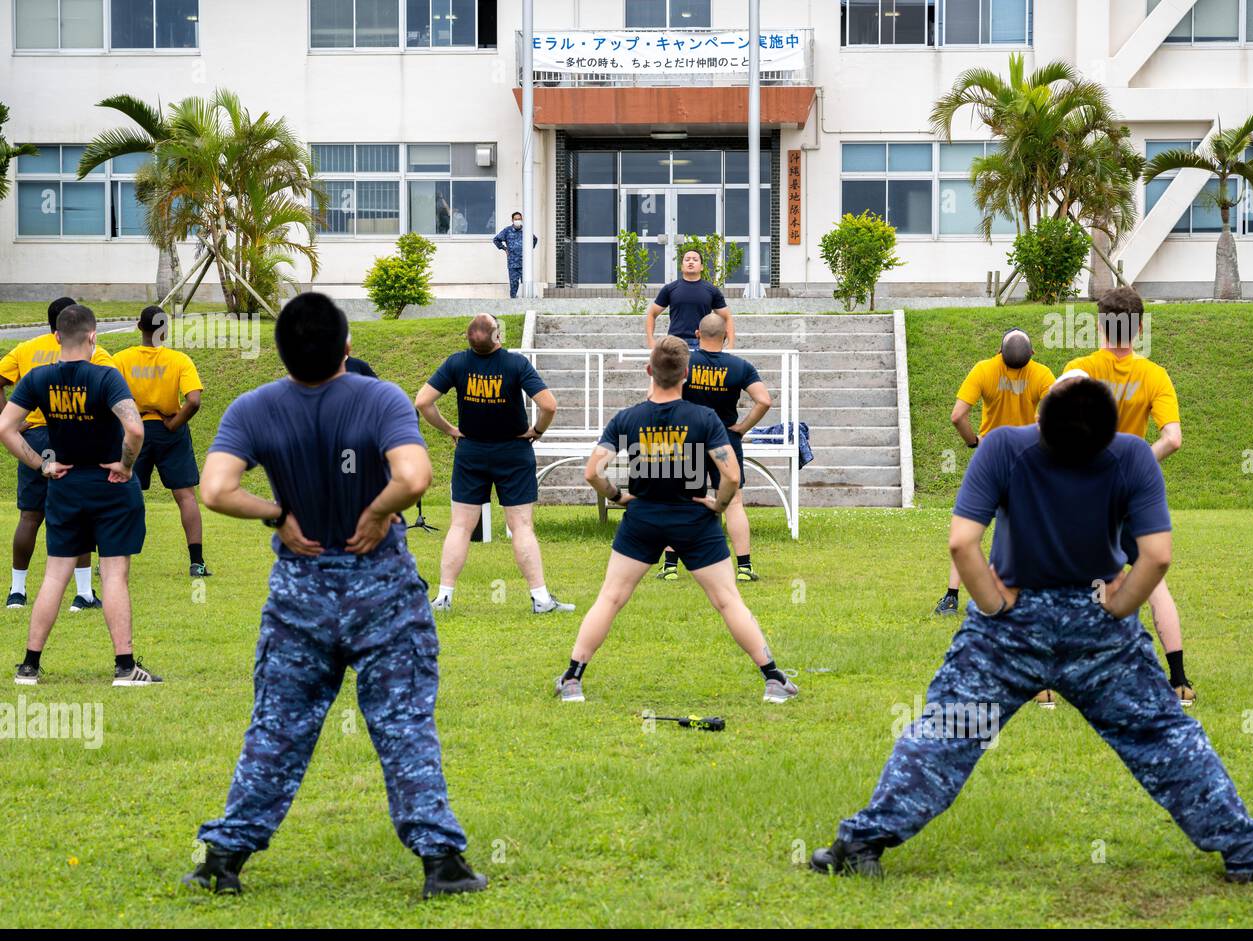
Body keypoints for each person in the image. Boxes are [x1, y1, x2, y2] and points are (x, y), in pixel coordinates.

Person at [810, 374, 1253, 885]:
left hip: (1010, 630)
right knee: (1161, 735)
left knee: (949, 731)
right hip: (1097, 628)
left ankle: (862, 843)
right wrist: (1120, 607)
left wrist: (992, 606)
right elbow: (1158, 556)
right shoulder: (1133, 456)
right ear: (1108, 430)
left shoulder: (1001, 447)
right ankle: (1247, 850)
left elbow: (961, 544)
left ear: (1040, 418)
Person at [184, 292, 485, 899]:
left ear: (281, 351)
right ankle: (441, 865)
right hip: (382, 589)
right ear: (348, 346)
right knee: (403, 722)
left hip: (301, 592)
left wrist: (278, 514)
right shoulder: (381, 399)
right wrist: (377, 513)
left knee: (277, 726)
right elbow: (415, 477)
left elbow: (216, 490)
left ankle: (224, 859)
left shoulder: (253, 408)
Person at [553, 337, 797, 705]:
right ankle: (773, 679)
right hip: (695, 520)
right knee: (728, 601)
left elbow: (592, 472)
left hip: (642, 519)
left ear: (650, 371)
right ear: (686, 374)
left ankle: (572, 678)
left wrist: (619, 497)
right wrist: (718, 506)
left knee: (611, 597)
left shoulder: (627, 418)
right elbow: (730, 476)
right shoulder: (705, 418)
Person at [0, 305, 158, 687]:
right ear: (93, 337)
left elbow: (6, 427)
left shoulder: (38, 378)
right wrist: (125, 465)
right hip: (111, 487)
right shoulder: (106, 376)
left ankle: (29, 667)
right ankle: (124, 667)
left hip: (64, 485)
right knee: (115, 575)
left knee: (55, 575)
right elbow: (135, 431)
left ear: (56, 337)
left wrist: (43, 466)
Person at [1064, 286, 1193, 706]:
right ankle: (1178, 681)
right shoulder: (1155, 375)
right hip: (1136, 497)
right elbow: (1172, 439)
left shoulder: (1082, 367)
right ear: (1138, 327)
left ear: (1101, 325)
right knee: (1155, 587)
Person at [415, 314, 571, 615]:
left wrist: (450, 430)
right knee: (521, 526)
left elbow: (423, 402)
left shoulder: (456, 363)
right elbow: (549, 405)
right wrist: (537, 431)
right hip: (513, 451)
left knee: (460, 526)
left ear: (468, 339)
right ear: (497, 337)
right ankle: (540, 599)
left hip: (471, 450)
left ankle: (444, 597)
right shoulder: (516, 364)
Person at [0, 297, 112, 611]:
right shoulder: (94, 352)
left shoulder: (25, 349)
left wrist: (12, 420)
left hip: (35, 439)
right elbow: (111, 392)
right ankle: (83, 594)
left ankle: (17, 593)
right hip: (74, 436)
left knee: (30, 516)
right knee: (80, 515)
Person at [935, 328, 1055, 621]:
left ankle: (951, 597)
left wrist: (974, 442)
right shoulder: (1042, 374)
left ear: (999, 352)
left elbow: (957, 416)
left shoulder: (984, 369)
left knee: (968, 529)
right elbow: (1058, 415)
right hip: (1028, 460)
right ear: (1032, 355)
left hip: (989, 457)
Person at [658, 312, 771, 583]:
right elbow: (764, 401)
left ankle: (670, 566)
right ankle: (744, 568)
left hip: (687, 439)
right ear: (726, 336)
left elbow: (662, 395)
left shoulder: (684, 363)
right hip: (724, 440)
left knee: (679, 502)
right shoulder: (740, 366)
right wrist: (742, 428)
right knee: (733, 503)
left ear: (697, 334)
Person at [112, 306, 211, 577]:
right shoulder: (179, 360)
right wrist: (173, 424)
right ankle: (197, 563)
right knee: (186, 496)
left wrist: (127, 421)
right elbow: (193, 401)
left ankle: (109, 559)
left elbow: (107, 398)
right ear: (165, 330)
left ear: (138, 326)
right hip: (171, 433)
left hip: (135, 431)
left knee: (122, 493)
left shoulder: (120, 359)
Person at [645, 249, 735, 350]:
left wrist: (730, 344)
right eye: (687, 259)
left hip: (703, 343)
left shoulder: (712, 290)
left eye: (695, 260)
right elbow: (652, 314)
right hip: (675, 343)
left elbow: (727, 316)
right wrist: (650, 340)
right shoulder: (669, 289)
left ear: (702, 267)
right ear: (682, 266)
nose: (691, 262)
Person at [492, 211, 538, 299]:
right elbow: (496, 240)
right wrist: (504, 248)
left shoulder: (526, 231)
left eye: (519, 219)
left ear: (522, 220)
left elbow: (534, 239)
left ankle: (526, 303)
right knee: (514, 285)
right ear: (512, 220)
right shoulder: (507, 231)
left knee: (526, 285)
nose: (518, 220)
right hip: (513, 264)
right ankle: (513, 304)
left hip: (525, 264)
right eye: (516, 219)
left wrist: (529, 250)